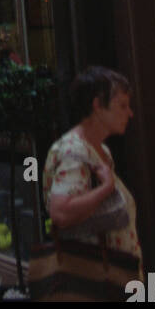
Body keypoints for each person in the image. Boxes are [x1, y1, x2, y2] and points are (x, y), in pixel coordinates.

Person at [42, 64, 142, 277]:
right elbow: (60, 214)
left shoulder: (101, 150)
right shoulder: (74, 152)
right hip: (97, 283)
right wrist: (106, 188)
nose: (130, 113)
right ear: (98, 105)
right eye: (122, 105)